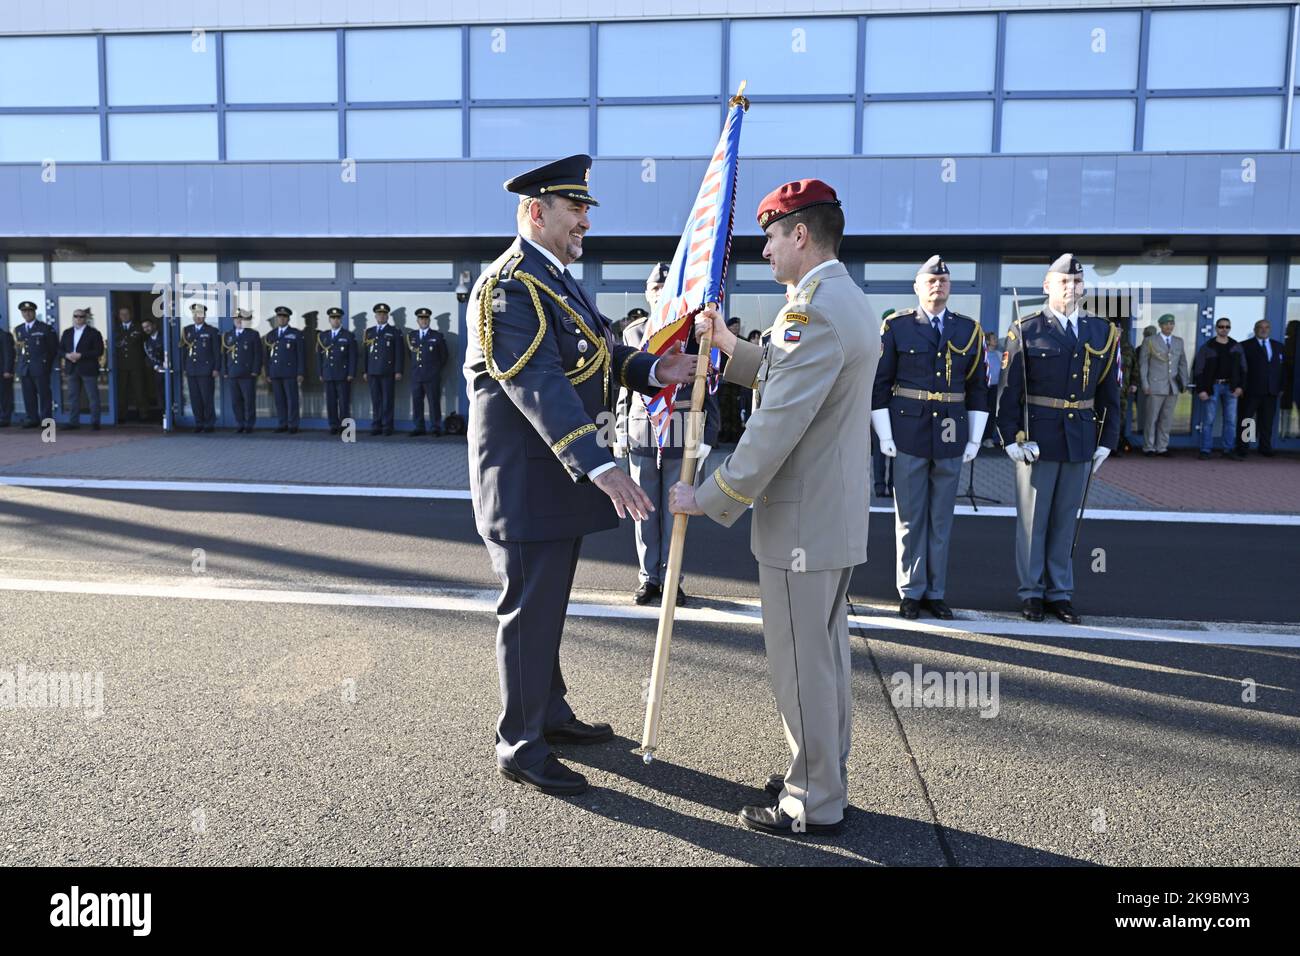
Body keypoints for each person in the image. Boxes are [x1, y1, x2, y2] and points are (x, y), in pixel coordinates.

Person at [464, 154, 694, 797]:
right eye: (576, 209)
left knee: (547, 608)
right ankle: (521, 743)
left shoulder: (554, 277)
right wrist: (597, 463)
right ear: (536, 212)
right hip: (526, 483)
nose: (586, 221)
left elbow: (595, 351)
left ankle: (550, 713)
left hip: (550, 484)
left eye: (587, 209)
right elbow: (536, 380)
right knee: (527, 613)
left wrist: (653, 369)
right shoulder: (510, 284)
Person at [670, 178, 877, 837]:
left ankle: (811, 801)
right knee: (825, 658)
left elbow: (777, 422)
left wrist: (706, 495)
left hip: (799, 519)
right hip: (830, 514)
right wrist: (731, 347)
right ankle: (823, 774)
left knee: (799, 664)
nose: (763, 250)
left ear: (800, 235)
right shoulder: (840, 298)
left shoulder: (809, 308)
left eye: (769, 236)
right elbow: (794, 376)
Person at [996, 253, 1120, 625]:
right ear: (1047, 286)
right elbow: (1008, 390)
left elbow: (1110, 393)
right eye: (1064, 282)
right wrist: (1011, 437)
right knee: (1034, 522)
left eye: (1078, 282)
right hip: (1038, 436)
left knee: (1066, 520)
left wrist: (1107, 440)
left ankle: (1059, 593)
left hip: (1080, 436)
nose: (1072, 288)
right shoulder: (1027, 329)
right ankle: (1032, 592)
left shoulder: (1102, 333)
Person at [871, 256, 988, 621]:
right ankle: (910, 590)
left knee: (941, 518)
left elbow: (978, 388)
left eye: (943, 281)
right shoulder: (897, 326)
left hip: (952, 434)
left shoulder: (968, 331)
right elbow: (880, 385)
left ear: (950, 287)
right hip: (908, 432)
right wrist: (884, 434)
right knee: (909, 517)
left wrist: (975, 439)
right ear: (917, 287)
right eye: (931, 281)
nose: (938, 285)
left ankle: (935, 592)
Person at [618, 262, 719, 607]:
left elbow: (711, 388)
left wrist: (707, 436)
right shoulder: (633, 333)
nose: (660, 293)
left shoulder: (694, 334)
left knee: (676, 509)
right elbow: (624, 389)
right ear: (648, 294)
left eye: (666, 289)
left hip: (682, 428)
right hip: (642, 430)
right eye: (655, 289)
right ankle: (649, 578)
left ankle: (672, 577)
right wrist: (619, 431)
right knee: (643, 508)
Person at [1192, 316, 1245, 460]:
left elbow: (1243, 369)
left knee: (1230, 421)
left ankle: (1228, 449)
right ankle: (1205, 449)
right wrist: (1201, 389)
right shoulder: (1207, 347)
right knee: (1208, 420)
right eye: (1221, 326)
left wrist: (1240, 387)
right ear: (1216, 328)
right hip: (1212, 387)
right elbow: (1198, 370)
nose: (1224, 329)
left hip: (1231, 388)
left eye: (1227, 327)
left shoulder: (1236, 346)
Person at [1138, 313, 1188, 457]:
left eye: (1171, 324)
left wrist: (1184, 382)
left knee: (1166, 419)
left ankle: (1162, 447)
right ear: (1160, 325)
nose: (1169, 326)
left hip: (1172, 387)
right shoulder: (1150, 341)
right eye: (1166, 324)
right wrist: (1145, 383)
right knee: (1151, 418)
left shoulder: (1179, 341)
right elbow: (1144, 364)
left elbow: (1182, 363)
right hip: (1155, 385)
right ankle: (1148, 447)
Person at [1238, 318, 1284, 458]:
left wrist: (1281, 387)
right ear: (1255, 329)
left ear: (1270, 330)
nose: (1264, 330)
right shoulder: (1245, 346)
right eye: (1260, 327)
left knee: (1267, 421)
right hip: (1251, 390)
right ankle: (1244, 448)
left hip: (1271, 391)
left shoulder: (1278, 346)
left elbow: (1282, 369)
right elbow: (1240, 369)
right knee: (1248, 420)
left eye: (1267, 327)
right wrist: (1241, 387)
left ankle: (1265, 447)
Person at [59, 307, 104, 430]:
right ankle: (73, 422)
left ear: (86, 318)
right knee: (72, 397)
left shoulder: (94, 333)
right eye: (76, 316)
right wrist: (67, 355)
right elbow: (60, 350)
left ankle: (95, 422)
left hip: (88, 368)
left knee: (92, 396)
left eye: (81, 316)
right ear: (73, 318)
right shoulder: (67, 332)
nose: (78, 319)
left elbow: (99, 351)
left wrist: (81, 355)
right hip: (72, 368)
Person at [14, 300, 58, 428]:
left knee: (44, 395)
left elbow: (52, 349)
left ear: (34, 312)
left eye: (29, 311)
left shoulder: (45, 328)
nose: (27, 314)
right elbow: (18, 350)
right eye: (24, 311)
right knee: (28, 395)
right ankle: (32, 418)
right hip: (25, 369)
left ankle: (46, 421)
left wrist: (45, 365)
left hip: (40, 368)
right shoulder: (19, 329)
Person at [406, 307, 449, 436]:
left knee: (433, 402)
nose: (423, 321)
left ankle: (435, 427)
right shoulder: (411, 336)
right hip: (416, 376)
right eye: (421, 318)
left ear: (429, 320)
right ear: (417, 320)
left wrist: (434, 369)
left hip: (431, 376)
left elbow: (444, 356)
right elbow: (410, 355)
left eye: (426, 318)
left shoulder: (437, 336)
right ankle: (419, 427)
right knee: (417, 402)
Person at [363, 304, 403, 436]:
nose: (381, 316)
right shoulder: (369, 332)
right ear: (375, 316)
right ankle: (376, 425)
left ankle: (387, 426)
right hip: (372, 371)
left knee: (387, 400)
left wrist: (398, 371)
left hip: (387, 371)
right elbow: (365, 354)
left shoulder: (394, 332)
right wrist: (365, 370)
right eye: (379, 314)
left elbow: (399, 353)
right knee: (376, 400)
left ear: (387, 316)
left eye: (384, 314)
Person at [180, 304, 220, 433]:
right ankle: (199, 422)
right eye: (195, 314)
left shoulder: (211, 331)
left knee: (207, 398)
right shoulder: (187, 330)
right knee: (195, 398)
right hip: (192, 370)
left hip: (206, 370)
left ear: (204, 316)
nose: (197, 317)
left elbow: (216, 352)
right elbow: (184, 351)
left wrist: (216, 368)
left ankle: (209, 423)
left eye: (200, 314)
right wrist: (184, 367)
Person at [264, 306, 304, 434]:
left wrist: (300, 372)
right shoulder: (271, 335)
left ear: (288, 318)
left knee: (292, 400)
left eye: (284, 316)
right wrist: (268, 372)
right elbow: (266, 356)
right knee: (279, 400)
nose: (281, 319)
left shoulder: (296, 334)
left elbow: (301, 355)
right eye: (279, 316)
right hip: (275, 372)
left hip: (290, 372)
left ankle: (293, 424)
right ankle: (282, 423)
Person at [871, 308, 897, 498]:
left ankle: (893, 485)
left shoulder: (898, 343)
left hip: (895, 405)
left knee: (895, 448)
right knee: (879, 450)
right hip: (878, 403)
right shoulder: (875, 343)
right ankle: (880, 486)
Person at [317, 306, 356, 435]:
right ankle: (333, 425)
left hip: (343, 375)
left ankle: (345, 427)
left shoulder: (348, 335)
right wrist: (320, 372)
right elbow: (319, 357)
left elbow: (352, 356)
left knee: (344, 402)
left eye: (337, 318)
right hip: (328, 374)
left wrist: (351, 373)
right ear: (329, 320)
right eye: (333, 318)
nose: (335, 320)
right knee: (331, 402)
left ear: (341, 320)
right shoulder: (323, 336)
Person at [223, 308, 262, 433]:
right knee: (236, 401)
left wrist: (255, 370)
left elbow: (257, 354)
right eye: (236, 319)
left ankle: (249, 424)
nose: (238, 321)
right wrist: (225, 371)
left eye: (241, 319)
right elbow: (224, 355)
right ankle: (240, 423)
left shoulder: (252, 334)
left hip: (247, 374)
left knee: (249, 401)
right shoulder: (228, 335)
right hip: (233, 373)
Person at [114, 306, 149, 422]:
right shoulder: (115, 327)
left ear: (131, 315)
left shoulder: (139, 327)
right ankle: (121, 416)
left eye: (126, 314)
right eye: (122, 314)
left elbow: (143, 341)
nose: (124, 316)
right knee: (122, 392)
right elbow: (115, 342)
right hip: (121, 365)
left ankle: (144, 415)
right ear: (119, 316)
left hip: (136, 364)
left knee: (139, 390)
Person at [141, 316, 167, 423]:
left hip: (169, 371)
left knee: (170, 393)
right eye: (144, 328)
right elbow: (147, 358)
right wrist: (154, 366)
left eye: (148, 326)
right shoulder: (146, 343)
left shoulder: (165, 337)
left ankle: (172, 416)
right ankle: (164, 416)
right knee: (160, 394)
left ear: (154, 326)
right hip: (158, 371)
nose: (146, 329)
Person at [982, 331, 1002, 447]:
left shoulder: (999, 355)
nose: (996, 340)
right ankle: (979, 439)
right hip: (984, 388)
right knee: (982, 413)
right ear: (988, 341)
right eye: (993, 338)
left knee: (993, 413)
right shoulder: (982, 354)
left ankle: (989, 438)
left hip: (995, 389)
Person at [0, 318, 13, 427]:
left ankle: (5, 419)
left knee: (4, 396)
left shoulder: (4, 335)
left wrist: (8, 370)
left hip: (2, 372)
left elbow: (8, 354)